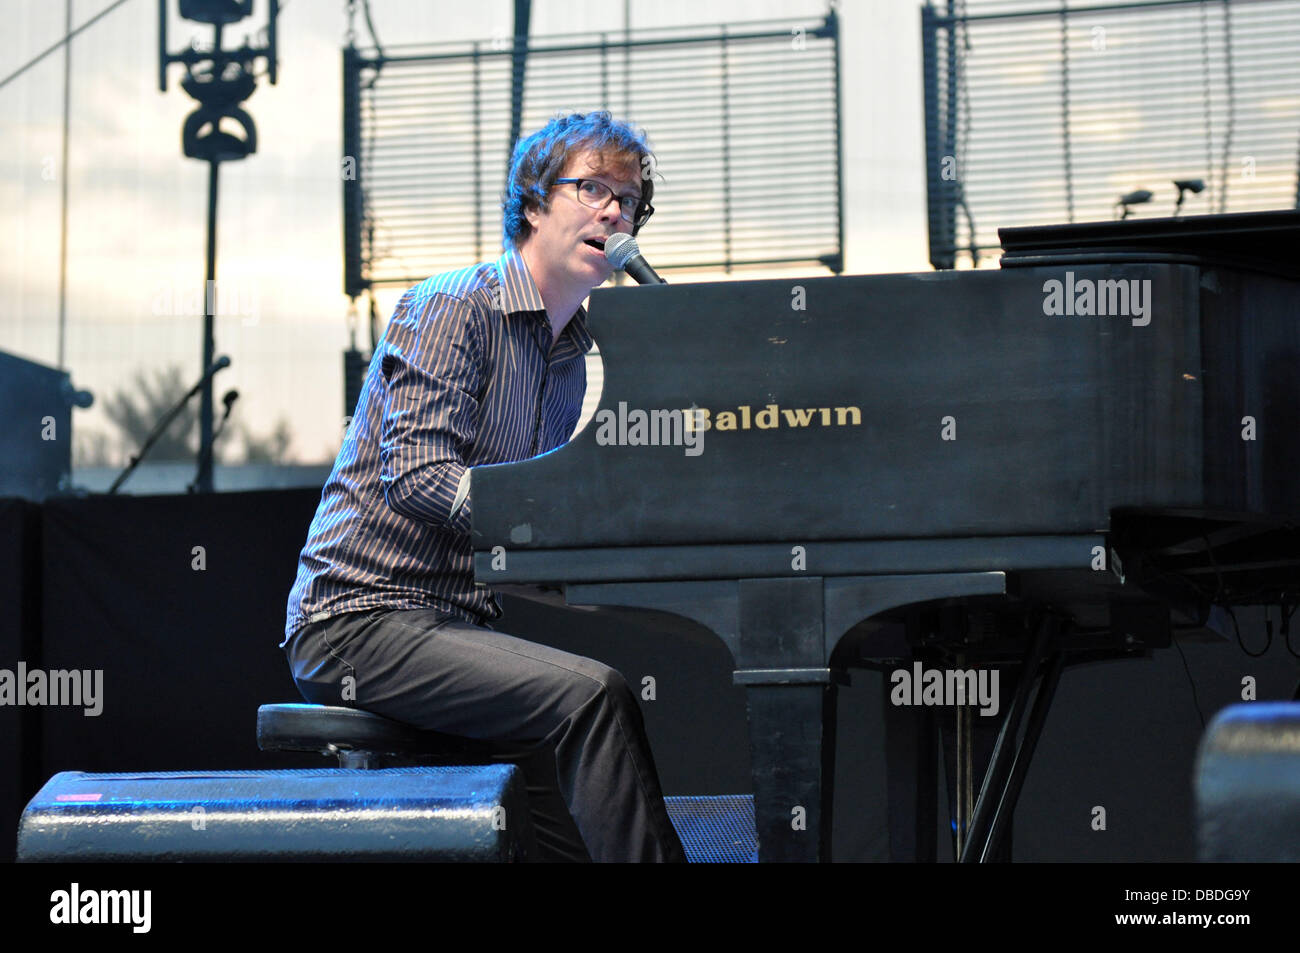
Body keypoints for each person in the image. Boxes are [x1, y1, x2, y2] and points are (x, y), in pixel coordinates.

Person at [281, 111, 686, 863]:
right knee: (594, 694)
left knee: (565, 842)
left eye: (628, 200)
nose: (613, 212)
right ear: (533, 203)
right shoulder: (453, 305)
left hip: (453, 628)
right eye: (592, 188)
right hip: (357, 621)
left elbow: (518, 537)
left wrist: (644, 579)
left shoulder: (572, 359)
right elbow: (418, 478)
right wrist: (547, 525)